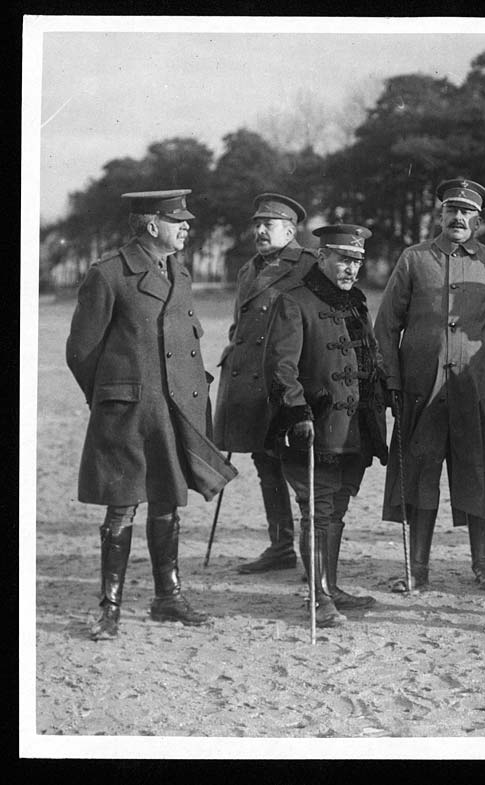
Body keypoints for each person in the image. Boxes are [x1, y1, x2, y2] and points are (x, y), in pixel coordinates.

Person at [66, 189, 237, 641]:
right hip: (127, 413)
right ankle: (111, 609)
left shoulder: (177, 270)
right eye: (177, 219)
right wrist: (109, 399)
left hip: (173, 410)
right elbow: (81, 351)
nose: (186, 226)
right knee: (121, 508)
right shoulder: (109, 274)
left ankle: (168, 598)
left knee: (167, 501)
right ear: (150, 225)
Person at [375, 178, 485, 593]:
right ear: (439, 215)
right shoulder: (414, 259)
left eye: (467, 213)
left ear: (478, 221)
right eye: (451, 210)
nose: (458, 218)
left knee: (478, 472)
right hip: (420, 390)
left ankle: (483, 565)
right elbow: (387, 324)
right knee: (420, 475)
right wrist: (391, 379)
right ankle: (418, 569)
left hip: (474, 388)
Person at [265, 224, 388, 626]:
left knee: (335, 509)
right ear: (322, 258)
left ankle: (330, 587)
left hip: (353, 428)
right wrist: (297, 412)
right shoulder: (293, 301)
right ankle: (317, 597)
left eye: (356, 260)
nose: (351, 268)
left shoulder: (356, 302)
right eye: (342, 259)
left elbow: (367, 355)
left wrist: (384, 388)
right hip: (314, 427)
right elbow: (282, 368)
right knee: (316, 510)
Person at [213, 193, 320, 575]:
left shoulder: (310, 265)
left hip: (287, 384)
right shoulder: (248, 269)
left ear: (290, 231)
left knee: (298, 466)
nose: (259, 230)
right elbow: (238, 327)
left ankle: (315, 558)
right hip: (250, 386)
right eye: (256, 224)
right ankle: (280, 547)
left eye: (268, 224)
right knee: (265, 464)